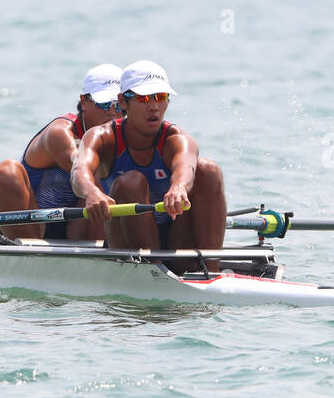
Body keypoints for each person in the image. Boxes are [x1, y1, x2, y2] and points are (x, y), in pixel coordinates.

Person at [71, 60, 226, 257]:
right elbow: (79, 172)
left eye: (160, 97)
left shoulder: (177, 139)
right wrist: (91, 192)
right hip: (127, 241)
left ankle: (210, 271)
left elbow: (186, 168)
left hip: (176, 239)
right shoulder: (101, 137)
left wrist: (178, 188)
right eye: (144, 99)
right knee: (131, 182)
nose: (154, 107)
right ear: (123, 102)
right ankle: (153, 273)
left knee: (209, 170)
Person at [0, 64, 122, 239]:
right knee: (7, 171)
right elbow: (80, 170)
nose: (112, 112)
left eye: (118, 105)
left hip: (76, 229)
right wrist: (94, 192)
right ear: (84, 102)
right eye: (104, 104)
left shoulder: (125, 134)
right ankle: (29, 253)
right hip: (32, 225)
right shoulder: (61, 133)